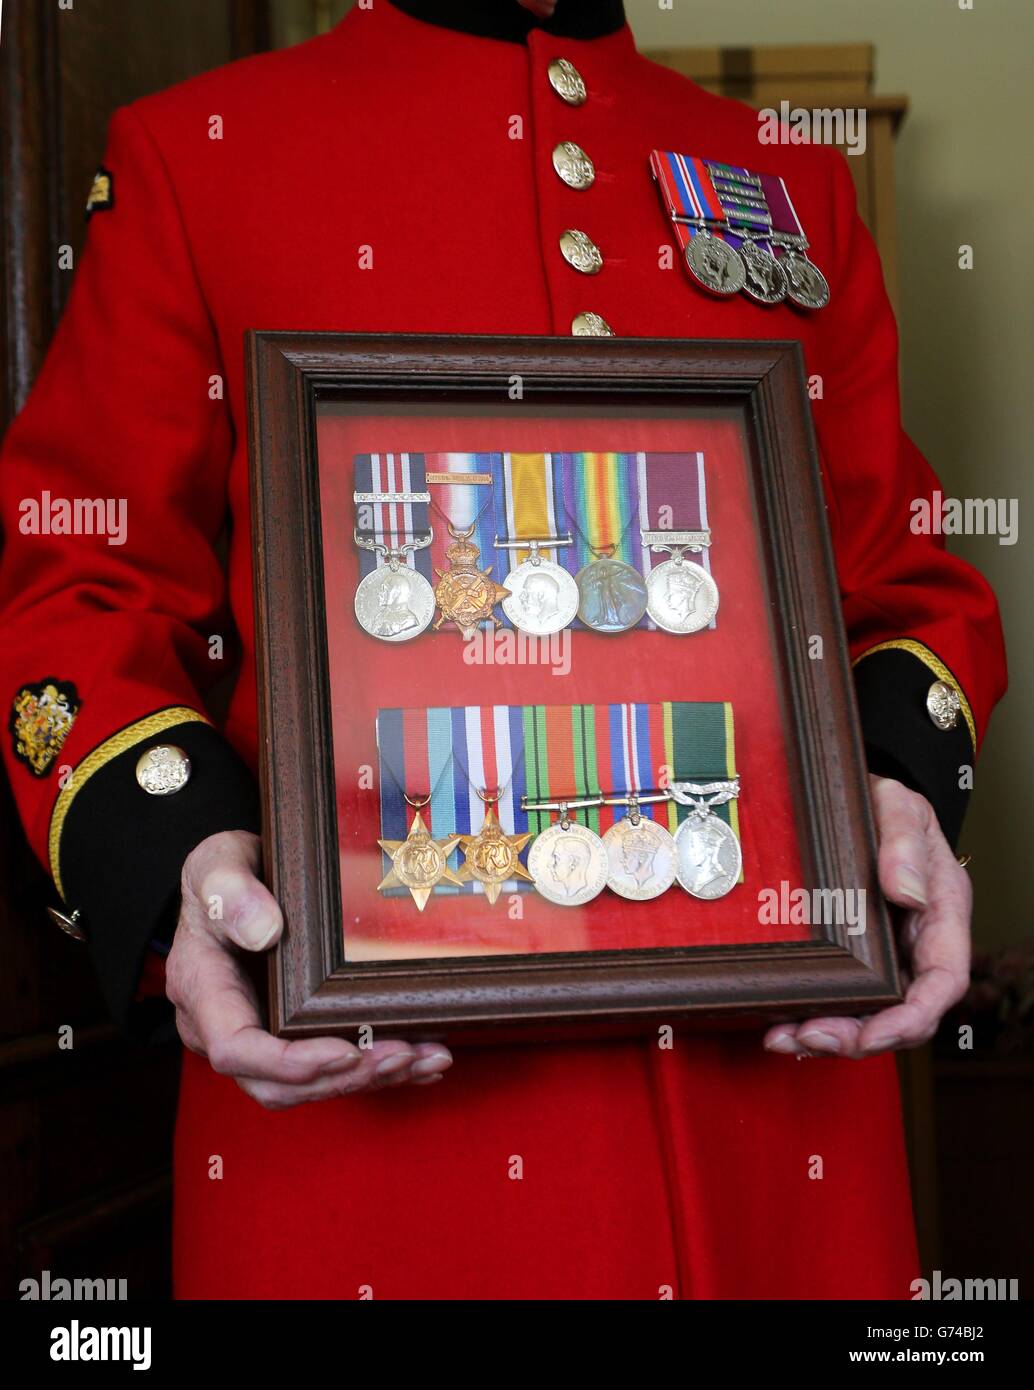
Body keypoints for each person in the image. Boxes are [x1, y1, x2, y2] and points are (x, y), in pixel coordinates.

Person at [0, 0, 1006, 1298]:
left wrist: (892, 789)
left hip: (779, 1157)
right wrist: (183, 854)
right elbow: (80, 578)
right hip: (373, 1161)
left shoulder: (786, 179)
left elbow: (902, 579)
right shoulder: (199, 154)